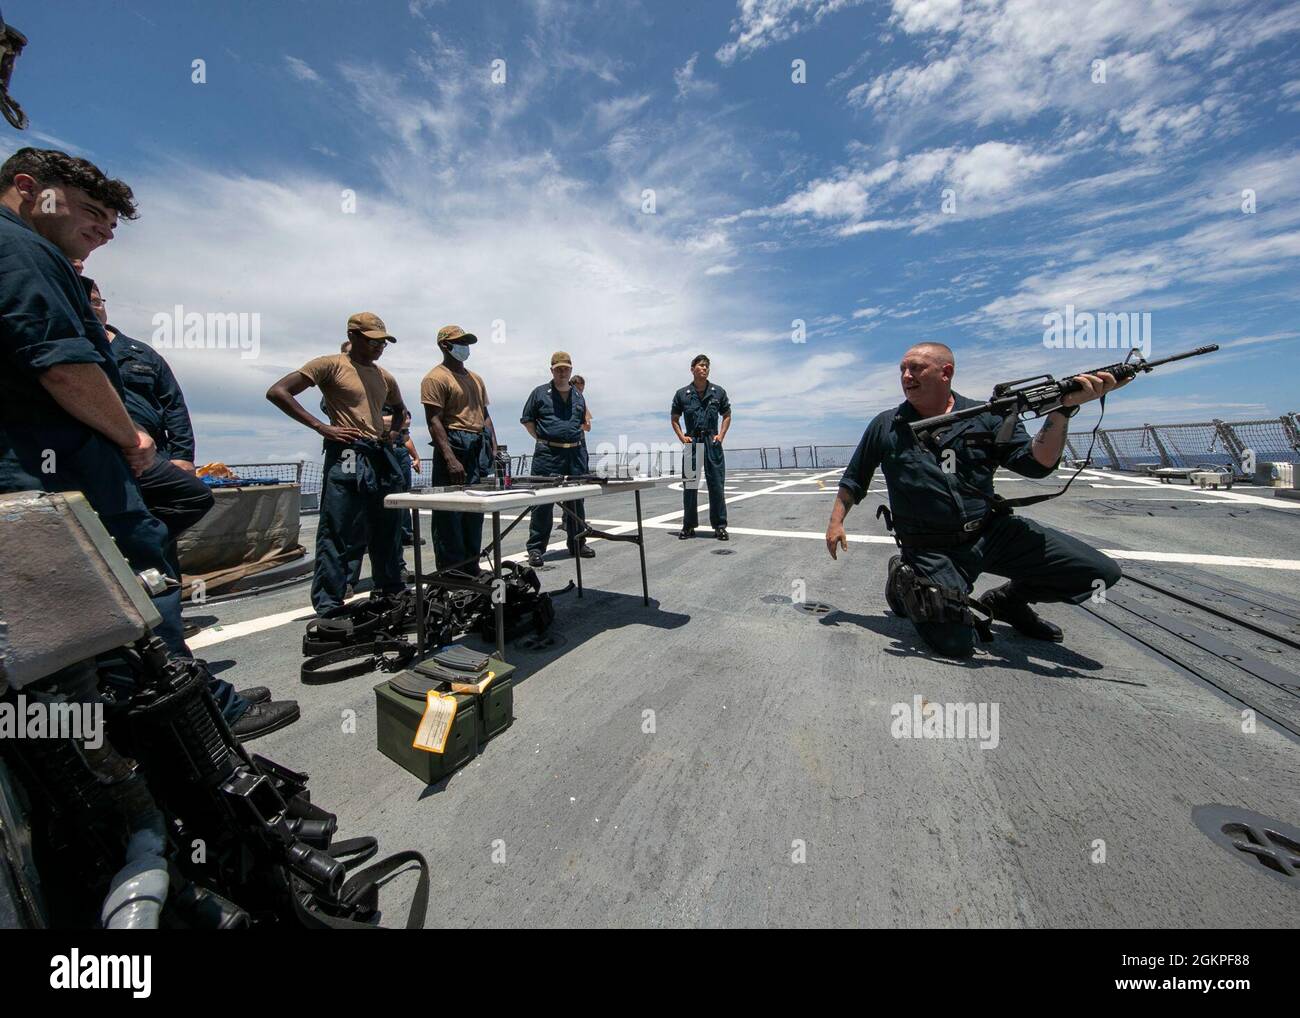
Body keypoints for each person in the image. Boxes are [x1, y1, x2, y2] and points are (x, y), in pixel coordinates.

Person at [0, 148, 290, 740]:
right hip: (59, 470)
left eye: (112, 223)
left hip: (52, 468)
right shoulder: (24, 251)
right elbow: (62, 365)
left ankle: (137, 718)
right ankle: (194, 721)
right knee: (137, 594)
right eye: (92, 213)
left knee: (91, 614)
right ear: (29, 188)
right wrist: (127, 433)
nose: (104, 232)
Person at [824, 341, 1125, 658]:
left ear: (946, 372)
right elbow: (855, 477)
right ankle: (903, 581)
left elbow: (1036, 465)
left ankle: (1009, 600)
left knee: (1099, 573)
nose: (906, 375)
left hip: (989, 532)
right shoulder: (887, 426)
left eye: (916, 368)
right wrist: (835, 522)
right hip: (930, 548)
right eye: (903, 369)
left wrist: (1062, 412)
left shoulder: (988, 417)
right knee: (956, 644)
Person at [266, 312, 410, 614]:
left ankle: (391, 590)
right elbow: (278, 392)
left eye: (383, 342)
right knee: (339, 528)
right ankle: (329, 603)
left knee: (387, 527)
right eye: (372, 341)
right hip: (347, 452)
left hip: (378, 453)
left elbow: (400, 409)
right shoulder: (330, 364)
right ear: (353, 336)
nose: (379, 347)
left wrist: (392, 435)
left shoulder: (384, 376)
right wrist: (322, 427)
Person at [419, 324, 495, 573]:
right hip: (453, 442)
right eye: (459, 342)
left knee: (474, 511)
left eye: (466, 343)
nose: (465, 347)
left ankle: (470, 566)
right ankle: (451, 569)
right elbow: (434, 420)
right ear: (445, 345)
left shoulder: (476, 378)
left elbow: (485, 416)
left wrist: (493, 450)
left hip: (476, 445)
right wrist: (450, 458)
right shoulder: (436, 378)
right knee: (449, 514)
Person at [522, 351, 592, 567]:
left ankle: (577, 542)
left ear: (571, 369)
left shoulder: (578, 396)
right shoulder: (539, 393)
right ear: (551, 370)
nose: (562, 372)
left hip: (575, 454)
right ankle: (535, 548)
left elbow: (584, 422)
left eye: (566, 368)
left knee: (576, 500)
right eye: (558, 368)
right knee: (542, 502)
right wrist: (546, 440)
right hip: (548, 455)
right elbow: (528, 421)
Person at [671, 354, 731, 540]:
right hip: (693, 442)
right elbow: (674, 418)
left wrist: (721, 435)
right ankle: (688, 526)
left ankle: (719, 526)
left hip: (712, 443)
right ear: (692, 369)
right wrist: (682, 437)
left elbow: (727, 414)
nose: (704, 368)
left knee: (716, 485)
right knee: (690, 485)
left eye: (707, 366)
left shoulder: (718, 392)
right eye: (701, 366)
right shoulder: (682, 394)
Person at [572, 373, 591, 473]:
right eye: (577, 390)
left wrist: (573, 425)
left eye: (581, 390)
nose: (580, 393)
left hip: (579, 445)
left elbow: (588, 427)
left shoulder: (582, 405)